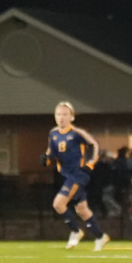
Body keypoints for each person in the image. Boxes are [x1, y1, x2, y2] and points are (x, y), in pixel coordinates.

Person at [45, 102, 110, 251]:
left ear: (72, 117)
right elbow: (51, 152)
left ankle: (75, 231)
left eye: (65, 114)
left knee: (58, 204)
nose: (61, 118)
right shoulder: (53, 134)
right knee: (82, 209)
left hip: (78, 174)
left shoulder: (76, 133)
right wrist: (47, 158)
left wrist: (90, 164)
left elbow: (95, 145)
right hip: (67, 176)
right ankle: (100, 237)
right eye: (59, 114)